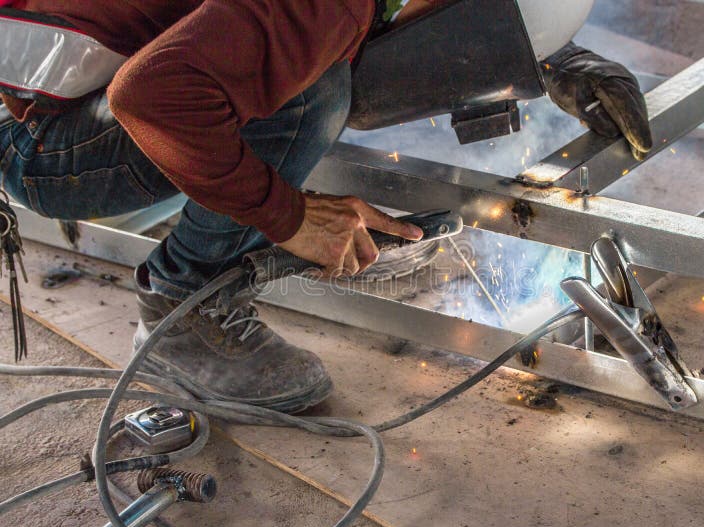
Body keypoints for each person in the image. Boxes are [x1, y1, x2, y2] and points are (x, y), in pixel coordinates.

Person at [0, 0, 651, 413]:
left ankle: (221, 221)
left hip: (90, 78)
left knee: (317, 63)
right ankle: (183, 304)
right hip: (38, 140)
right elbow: (148, 97)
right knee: (314, 91)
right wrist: (287, 215)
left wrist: (548, 60)